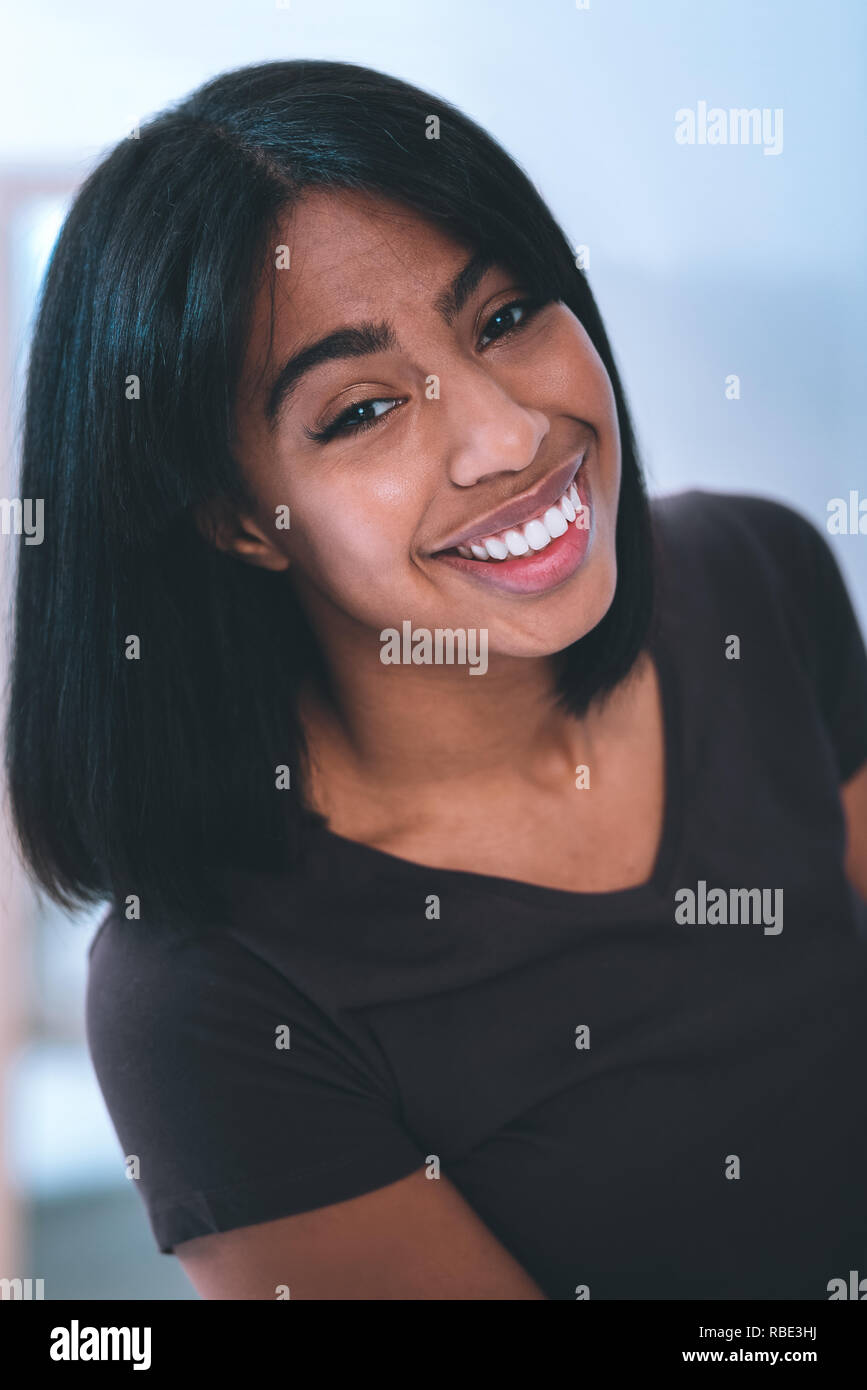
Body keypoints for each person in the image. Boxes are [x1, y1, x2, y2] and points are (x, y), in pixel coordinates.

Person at [6, 59, 867, 1301]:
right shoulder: (208, 997)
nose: (509, 437)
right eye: (360, 411)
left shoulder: (754, 579)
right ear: (241, 522)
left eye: (506, 317)